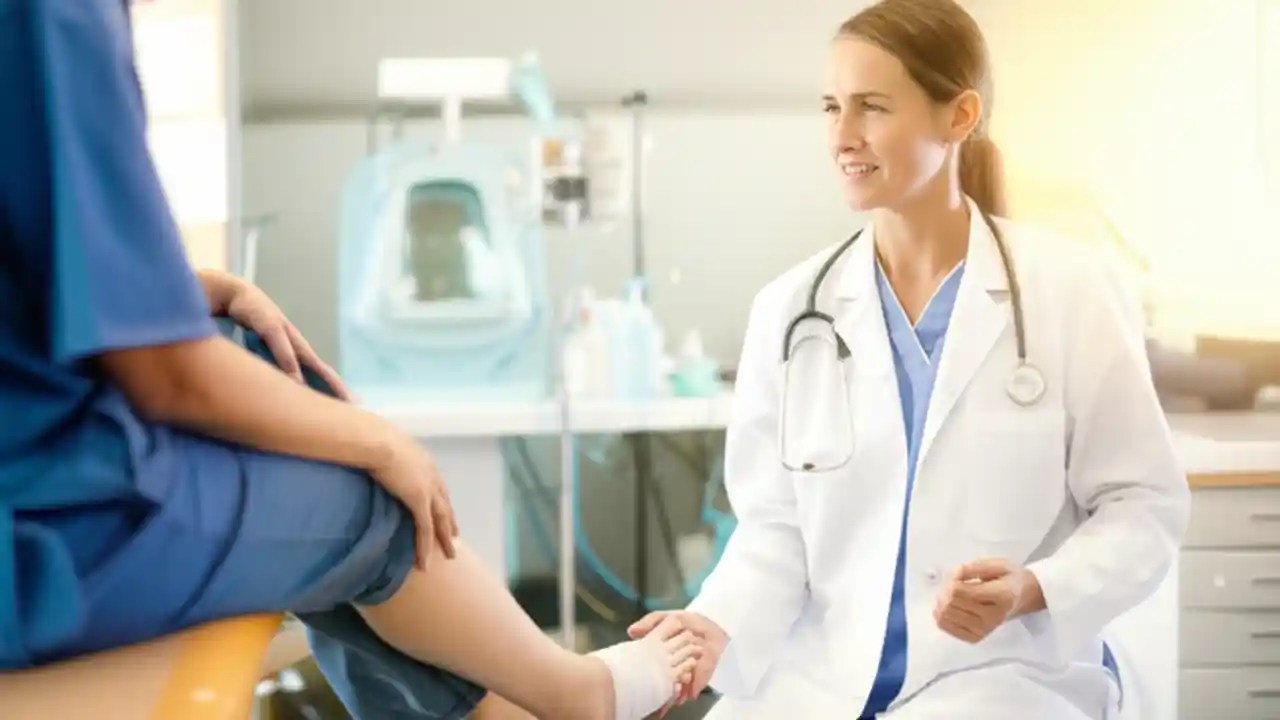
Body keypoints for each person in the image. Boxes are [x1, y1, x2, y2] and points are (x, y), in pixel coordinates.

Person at [0, 2, 700, 719]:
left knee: (265, 364)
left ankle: (504, 711)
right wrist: (384, 445)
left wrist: (209, 290)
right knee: (374, 497)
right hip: (42, 549)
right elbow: (168, 373)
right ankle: (574, 695)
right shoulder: (51, 18)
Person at [629, 1, 1190, 718]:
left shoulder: (1069, 291)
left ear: (958, 118)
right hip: (822, 675)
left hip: (1003, 673)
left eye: (871, 107)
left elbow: (1143, 506)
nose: (842, 136)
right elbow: (774, 530)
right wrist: (712, 627)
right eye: (831, 107)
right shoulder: (790, 308)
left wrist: (1032, 588)